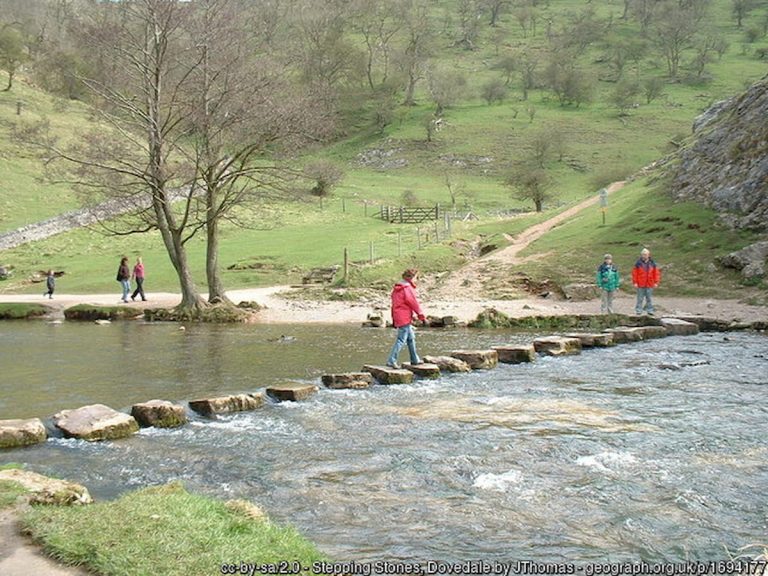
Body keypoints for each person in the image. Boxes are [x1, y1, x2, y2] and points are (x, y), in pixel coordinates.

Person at [386, 268, 426, 369]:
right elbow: (413, 303)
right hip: (404, 317)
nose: (417, 280)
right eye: (416, 278)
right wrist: (421, 315)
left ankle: (414, 359)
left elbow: (397, 304)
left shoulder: (397, 288)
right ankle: (391, 360)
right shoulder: (407, 288)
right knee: (401, 339)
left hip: (398, 316)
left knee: (411, 338)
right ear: (411, 278)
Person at [632, 248, 661, 315]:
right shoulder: (638, 264)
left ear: (648, 255)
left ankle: (650, 310)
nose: (644, 256)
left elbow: (656, 273)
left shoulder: (652, 263)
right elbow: (634, 274)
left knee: (649, 298)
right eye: (643, 254)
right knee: (640, 298)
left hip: (650, 283)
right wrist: (635, 282)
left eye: (645, 254)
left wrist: (656, 282)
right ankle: (638, 310)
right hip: (640, 284)